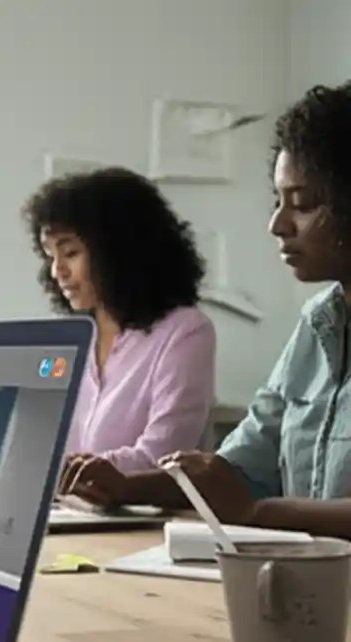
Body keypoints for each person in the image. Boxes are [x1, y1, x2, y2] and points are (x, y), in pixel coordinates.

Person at [68, 84, 351, 541]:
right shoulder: (318, 324)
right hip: (303, 578)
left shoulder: (184, 329)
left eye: (301, 204)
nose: (277, 224)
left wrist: (256, 513)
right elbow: (240, 466)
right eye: (278, 201)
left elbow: (245, 502)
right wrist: (128, 487)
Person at [26, 168, 216, 491]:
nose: (57, 271)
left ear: (118, 250)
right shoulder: (67, 343)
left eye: (70, 253)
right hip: (67, 513)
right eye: (50, 256)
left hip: (143, 515)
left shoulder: (185, 333)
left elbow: (162, 456)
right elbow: (38, 438)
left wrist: (65, 472)